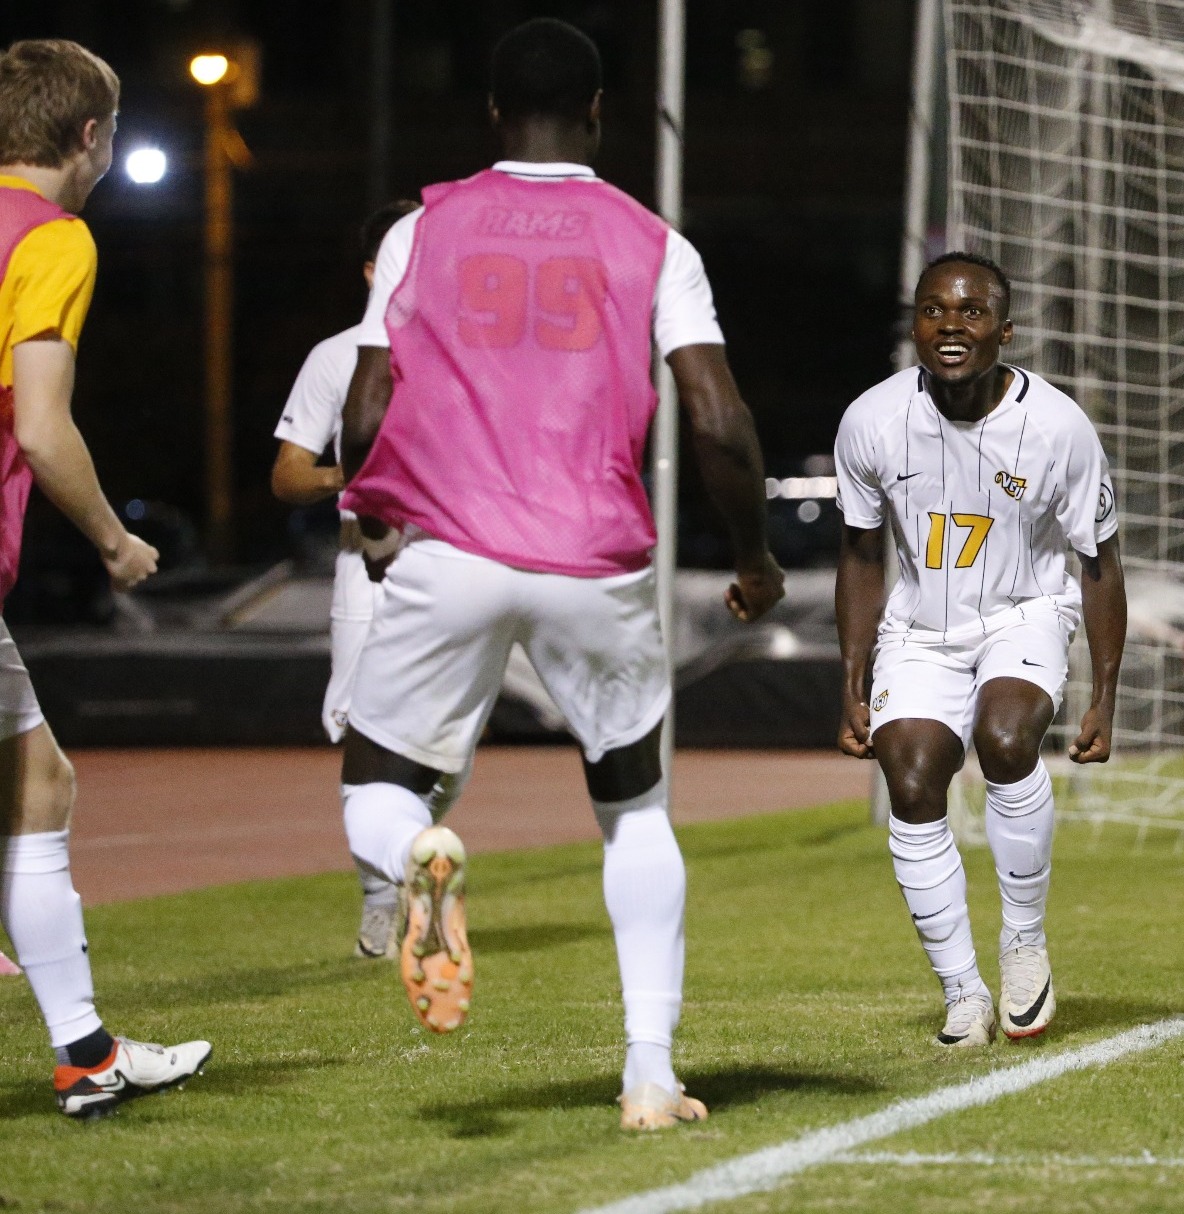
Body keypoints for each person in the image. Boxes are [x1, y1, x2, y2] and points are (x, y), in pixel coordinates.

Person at [336, 19, 783, 1131]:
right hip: (592, 554)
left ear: (492, 113)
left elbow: (363, 407)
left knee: (375, 786)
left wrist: (377, 524)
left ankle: (419, 852)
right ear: (597, 113)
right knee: (634, 807)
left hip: (452, 547)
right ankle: (646, 1073)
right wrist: (753, 552)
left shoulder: (422, 229)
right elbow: (718, 418)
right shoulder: (650, 238)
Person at [835, 252, 1127, 1047]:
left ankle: (1024, 941)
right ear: (915, 326)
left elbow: (1099, 564)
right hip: (921, 629)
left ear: (1006, 328)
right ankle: (963, 991)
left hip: (1023, 613)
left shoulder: (1058, 426)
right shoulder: (871, 420)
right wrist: (852, 683)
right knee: (913, 771)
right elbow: (862, 558)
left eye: (970, 312)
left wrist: (1103, 694)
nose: (951, 326)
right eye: (934, 310)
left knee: (1004, 738)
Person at [0, 38, 210, 1117]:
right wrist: (113, 542)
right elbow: (40, 424)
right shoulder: (54, 238)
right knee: (37, 790)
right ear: (90, 136)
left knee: (40, 780)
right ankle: (84, 1052)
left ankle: (86, 1050)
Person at [270, 200, 565, 959]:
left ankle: (417, 853)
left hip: (465, 565)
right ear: (376, 269)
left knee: (451, 748)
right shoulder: (338, 359)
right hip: (365, 572)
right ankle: (381, 900)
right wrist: (369, 475)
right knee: (369, 734)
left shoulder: (484, 349)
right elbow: (287, 475)